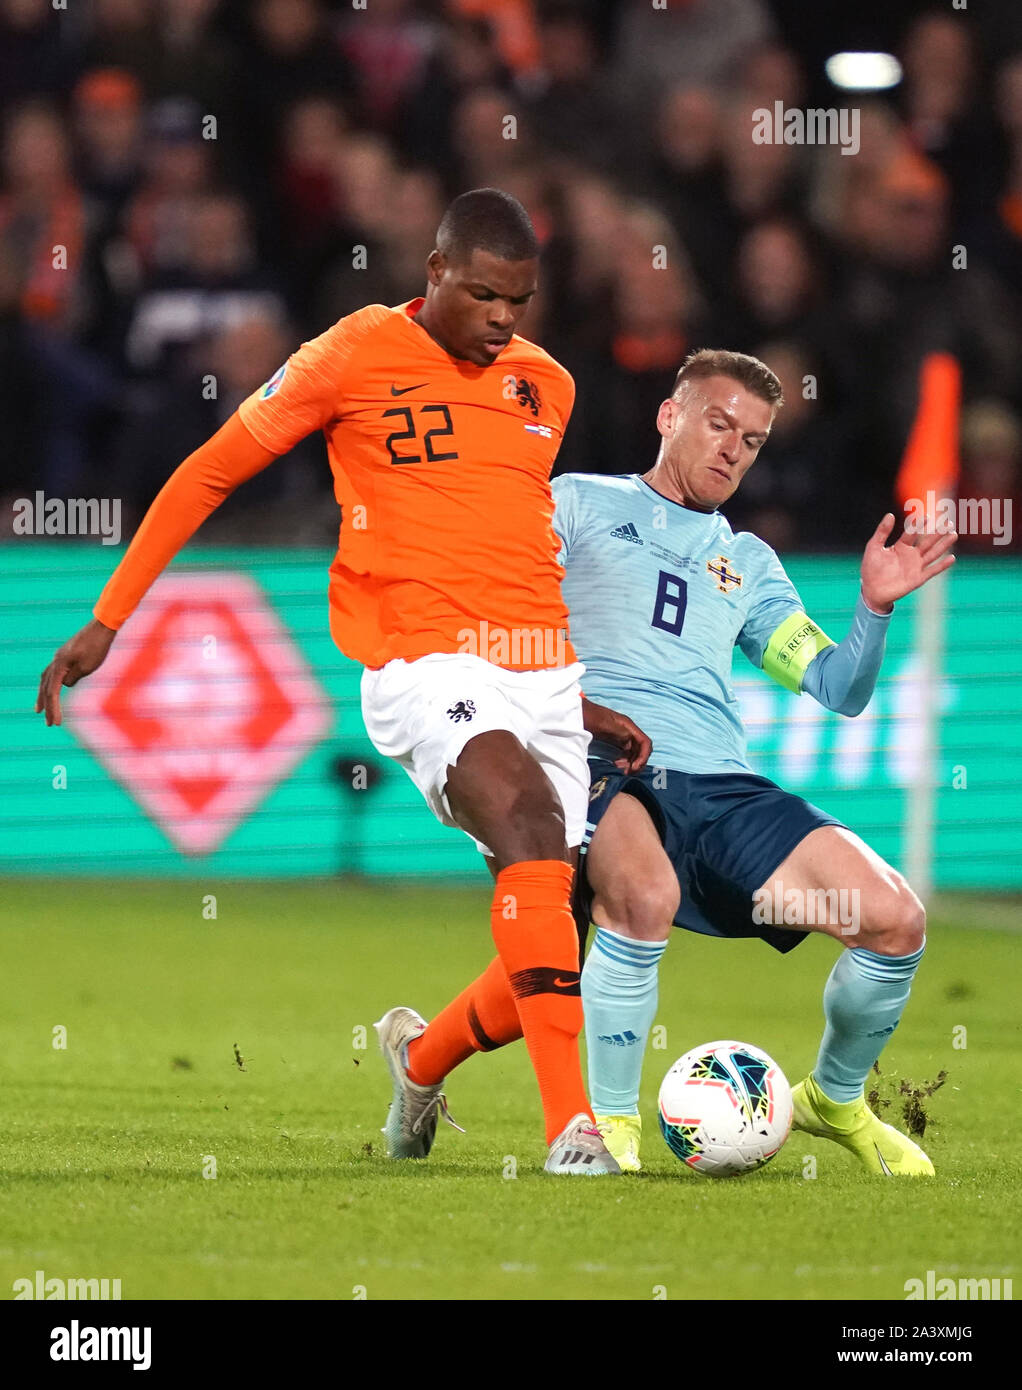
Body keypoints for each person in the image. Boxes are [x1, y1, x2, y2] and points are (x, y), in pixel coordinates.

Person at [35, 187, 645, 1176]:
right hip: (418, 658)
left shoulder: (548, 388)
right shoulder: (352, 352)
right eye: (484, 295)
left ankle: (419, 1060)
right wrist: (109, 616)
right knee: (530, 827)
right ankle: (570, 1132)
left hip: (539, 671)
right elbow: (207, 471)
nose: (501, 319)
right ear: (435, 271)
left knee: (548, 933)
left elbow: (507, 544)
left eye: (518, 302)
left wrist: (574, 697)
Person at [551, 348, 956, 1175]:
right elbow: (502, 595)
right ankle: (612, 1125)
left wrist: (873, 610)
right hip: (605, 758)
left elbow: (837, 688)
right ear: (671, 416)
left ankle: (834, 1101)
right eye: (719, 423)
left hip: (722, 787)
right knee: (644, 893)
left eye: (755, 440)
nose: (734, 449)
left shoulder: (750, 563)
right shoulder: (578, 503)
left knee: (894, 920)